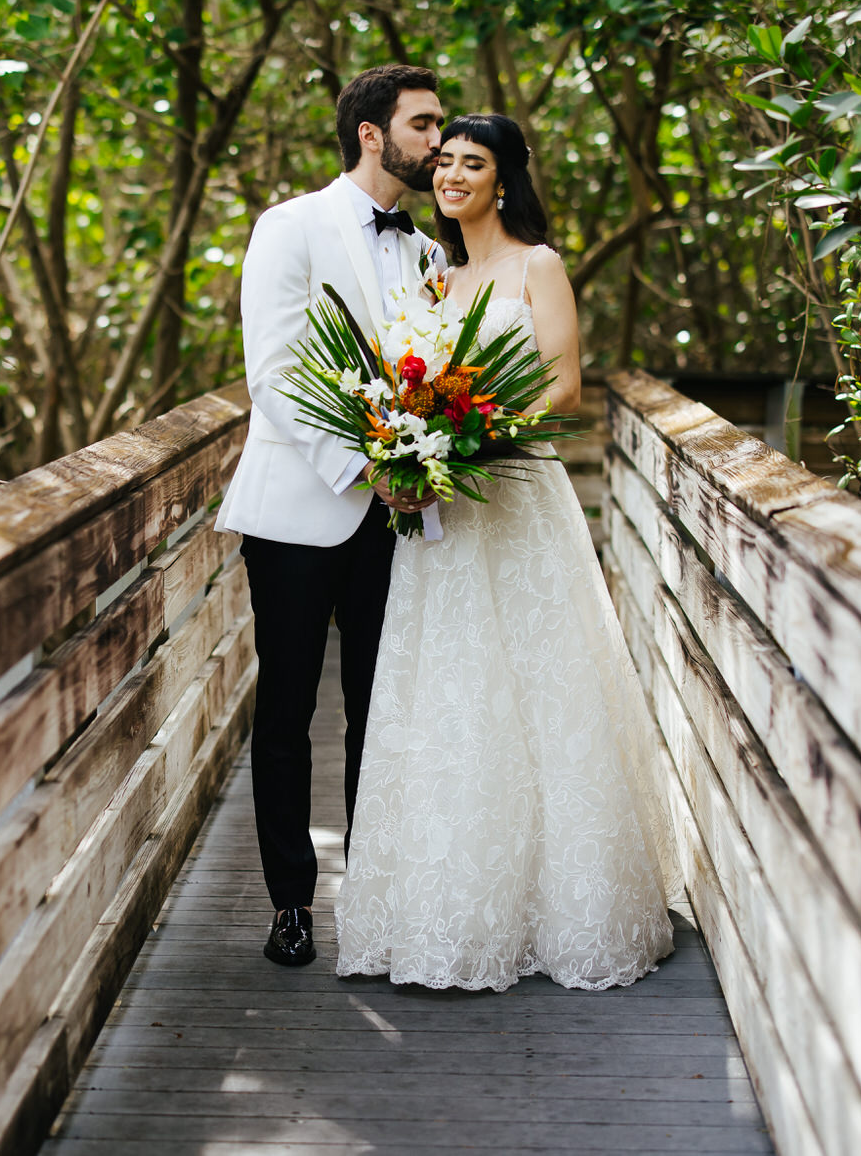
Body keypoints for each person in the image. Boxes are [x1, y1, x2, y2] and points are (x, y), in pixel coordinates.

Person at [335, 113, 680, 992]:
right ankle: (444, 905)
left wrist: (474, 437)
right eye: (443, 162)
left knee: (542, 685)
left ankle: (564, 904)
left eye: (471, 164)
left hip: (517, 497)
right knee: (447, 692)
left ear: (504, 178)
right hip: (443, 518)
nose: (450, 176)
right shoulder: (434, 277)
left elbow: (564, 385)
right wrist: (405, 452)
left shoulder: (539, 266)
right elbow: (402, 385)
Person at [214, 64, 444, 967]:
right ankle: (290, 905)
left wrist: (425, 467)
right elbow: (269, 370)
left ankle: (374, 901)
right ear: (372, 133)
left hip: (398, 521)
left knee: (379, 712)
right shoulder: (290, 226)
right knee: (286, 711)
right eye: (423, 126)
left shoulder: (430, 256)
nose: (438, 141)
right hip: (296, 513)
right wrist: (363, 468)